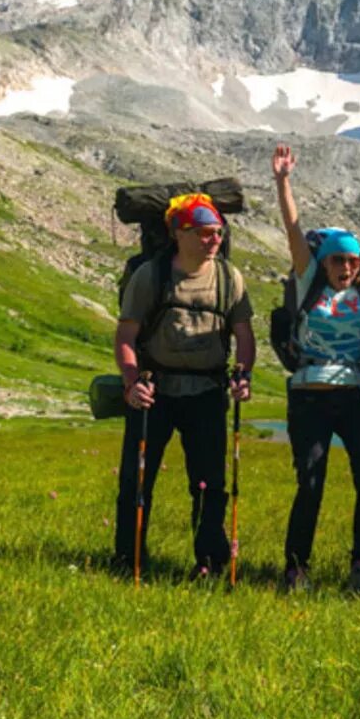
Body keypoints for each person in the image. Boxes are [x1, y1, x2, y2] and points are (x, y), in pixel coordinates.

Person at [272, 143, 360, 593]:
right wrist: (283, 181)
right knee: (310, 483)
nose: (347, 267)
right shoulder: (308, 280)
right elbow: (293, 229)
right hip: (309, 395)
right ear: (323, 262)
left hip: (353, 397)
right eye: (338, 260)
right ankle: (296, 568)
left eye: (352, 260)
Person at [112, 193, 255, 580]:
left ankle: (209, 561)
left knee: (210, 483)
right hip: (152, 391)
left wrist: (243, 374)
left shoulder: (229, 278)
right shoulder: (150, 276)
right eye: (204, 234)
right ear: (179, 233)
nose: (214, 241)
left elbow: (243, 333)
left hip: (207, 393)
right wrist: (130, 384)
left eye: (218, 234)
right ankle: (130, 559)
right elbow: (126, 335)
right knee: (137, 482)